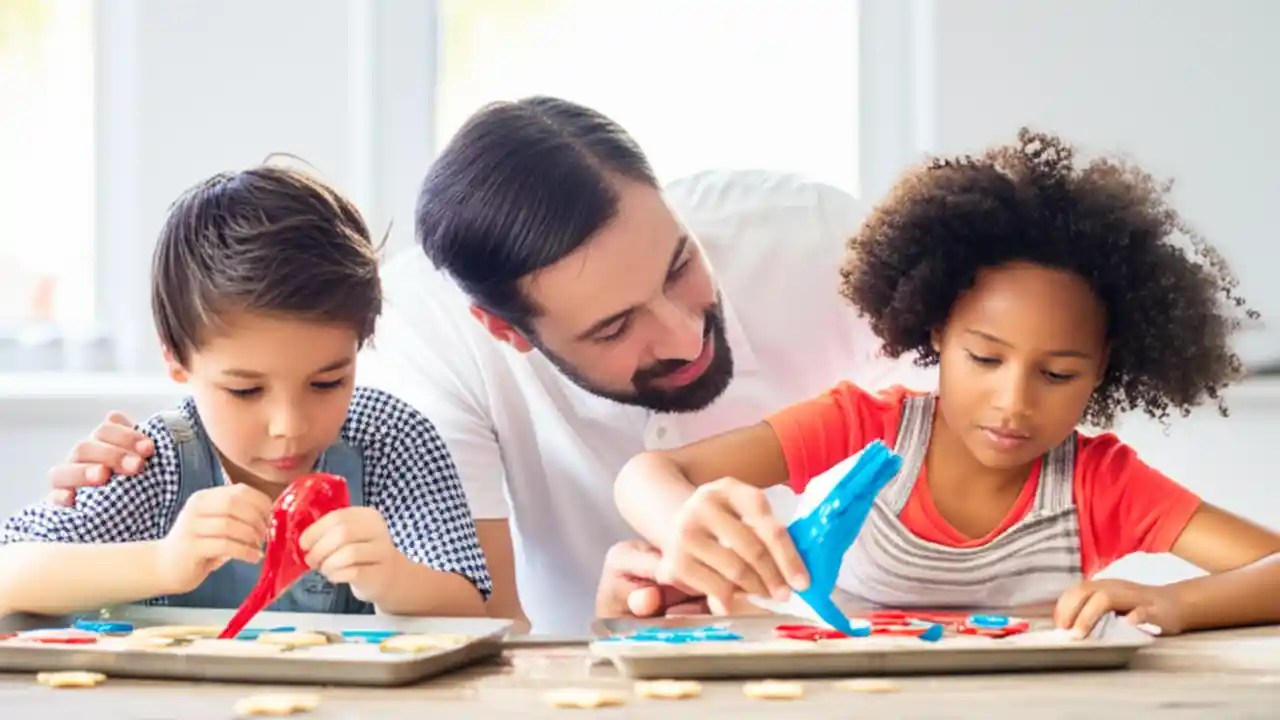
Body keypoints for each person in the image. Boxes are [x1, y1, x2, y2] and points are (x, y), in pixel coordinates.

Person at [41, 98, 930, 633]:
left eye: (677, 265)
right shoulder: (429, 349)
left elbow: (1013, 432)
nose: (682, 334)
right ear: (507, 332)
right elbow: (501, 623)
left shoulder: (815, 236)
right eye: (615, 326)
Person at [614, 129, 1280, 636]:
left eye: (1057, 373)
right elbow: (646, 474)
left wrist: (1178, 602)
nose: (1014, 402)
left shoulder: (1101, 483)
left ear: (1103, 366)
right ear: (936, 332)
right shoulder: (862, 426)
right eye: (985, 359)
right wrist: (684, 526)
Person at [0, 165, 491, 617]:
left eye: (327, 382)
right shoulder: (155, 461)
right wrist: (164, 561)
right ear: (175, 358)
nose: (289, 426)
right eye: (246, 390)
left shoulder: (391, 440)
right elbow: (9, 574)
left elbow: (473, 609)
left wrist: (393, 578)